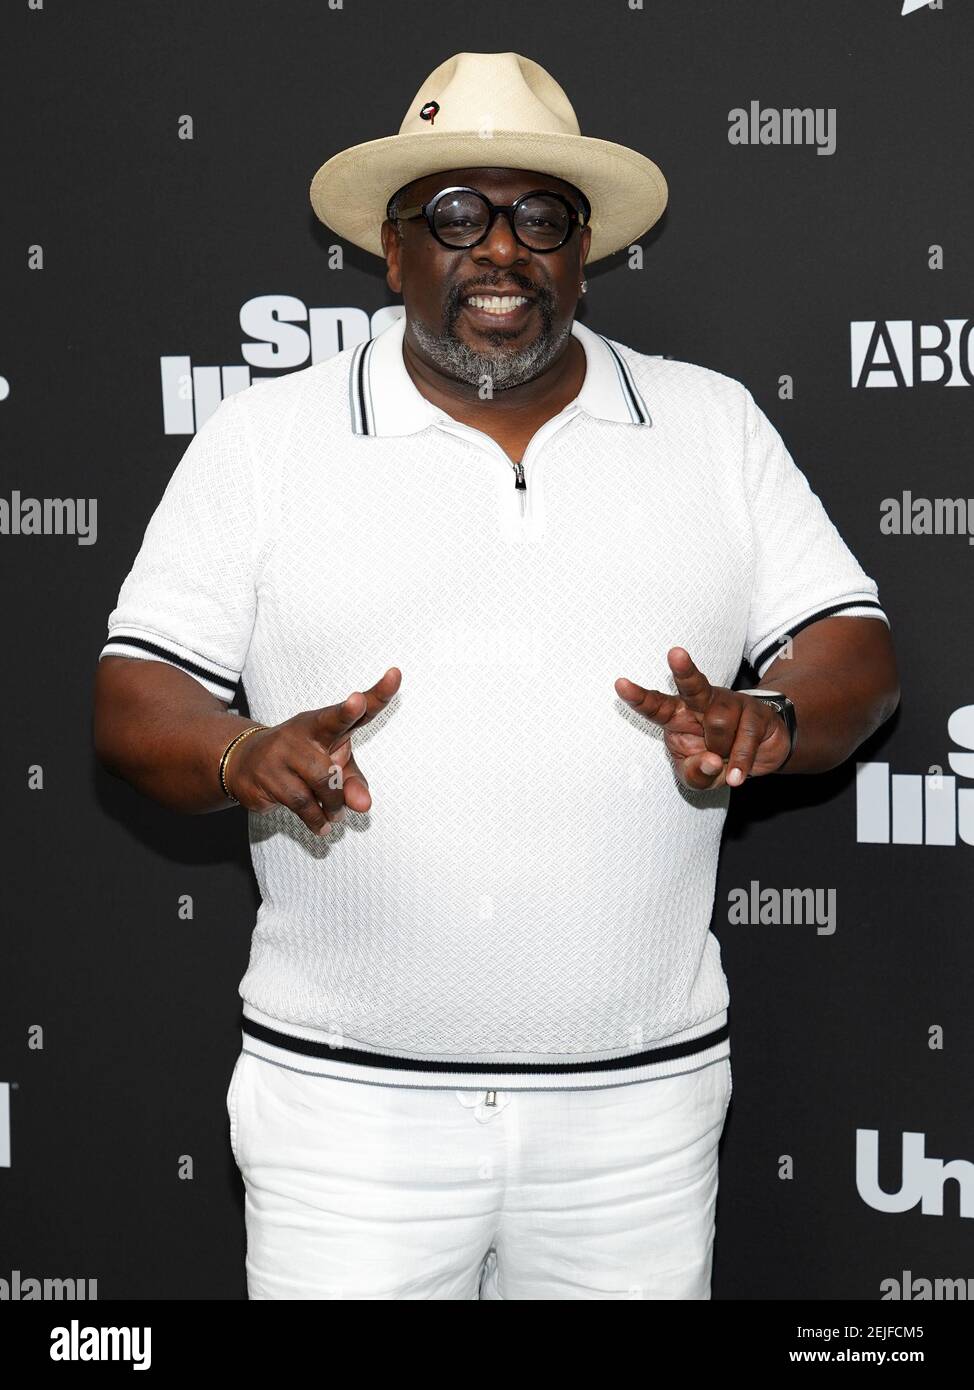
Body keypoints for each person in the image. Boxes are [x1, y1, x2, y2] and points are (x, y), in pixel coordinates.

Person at [93, 50, 900, 1300]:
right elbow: (135, 695)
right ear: (390, 243)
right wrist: (240, 753)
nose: (501, 250)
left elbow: (856, 648)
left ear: (583, 249)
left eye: (539, 216)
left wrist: (773, 718)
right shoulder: (263, 438)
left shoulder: (711, 424)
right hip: (345, 1117)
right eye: (457, 215)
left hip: (633, 1121)